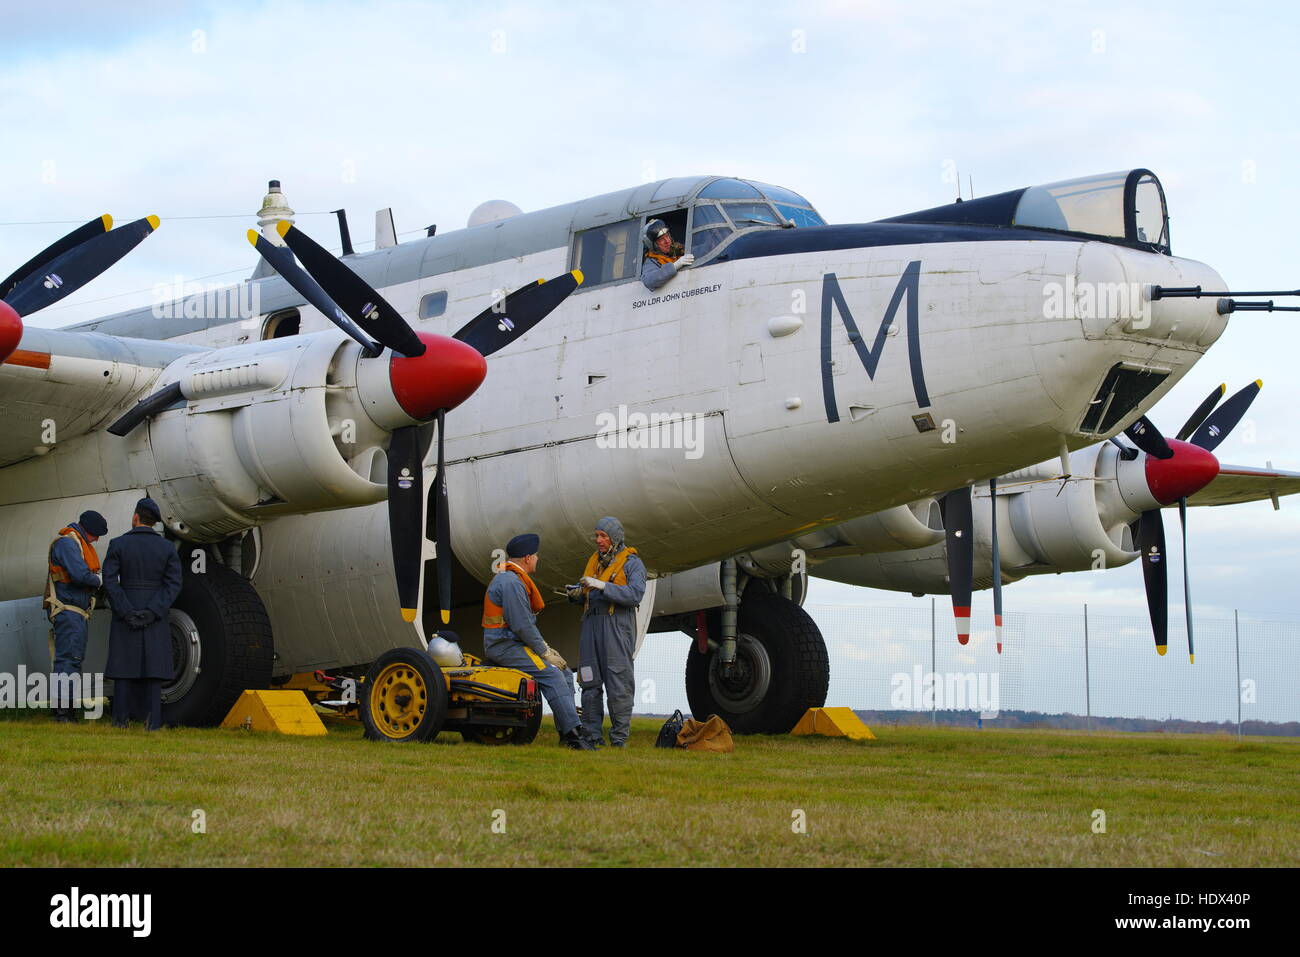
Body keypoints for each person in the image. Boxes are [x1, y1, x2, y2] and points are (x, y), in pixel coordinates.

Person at [482, 533, 593, 750]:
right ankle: (574, 736)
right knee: (551, 674)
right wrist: (544, 651)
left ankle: (567, 732)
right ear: (527, 558)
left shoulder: (509, 577)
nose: (537, 559)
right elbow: (522, 625)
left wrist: (545, 650)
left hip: (509, 644)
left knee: (563, 673)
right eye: (535, 555)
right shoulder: (511, 582)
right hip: (503, 646)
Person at [103, 498, 183, 730]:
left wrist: (126, 611)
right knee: (154, 671)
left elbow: (110, 581)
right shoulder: (167, 548)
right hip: (154, 616)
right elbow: (174, 584)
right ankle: (153, 721)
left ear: (136, 517)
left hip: (125, 612)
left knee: (123, 669)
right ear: (153, 522)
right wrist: (153, 611)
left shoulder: (118, 544)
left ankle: (120, 721)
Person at [570, 516, 647, 748]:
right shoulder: (594, 561)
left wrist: (603, 586)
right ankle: (592, 737)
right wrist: (577, 593)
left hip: (616, 626)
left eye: (603, 536)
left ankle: (619, 740)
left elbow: (635, 595)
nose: (598, 540)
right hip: (591, 623)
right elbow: (586, 590)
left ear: (614, 538)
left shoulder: (633, 563)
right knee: (589, 681)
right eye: (596, 536)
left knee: (618, 683)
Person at [44, 510, 108, 722]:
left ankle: (61, 710)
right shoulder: (68, 544)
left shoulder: (75, 543)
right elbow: (80, 575)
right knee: (69, 661)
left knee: (68, 661)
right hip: (68, 611)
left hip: (75, 613)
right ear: (87, 531)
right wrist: (100, 580)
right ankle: (64, 714)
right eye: (96, 535)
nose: (97, 540)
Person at [640, 219, 694, 291]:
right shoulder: (651, 261)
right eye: (661, 239)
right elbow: (649, 281)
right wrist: (675, 266)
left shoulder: (679, 249)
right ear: (653, 245)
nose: (667, 241)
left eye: (667, 236)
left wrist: (709, 244)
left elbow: (697, 250)